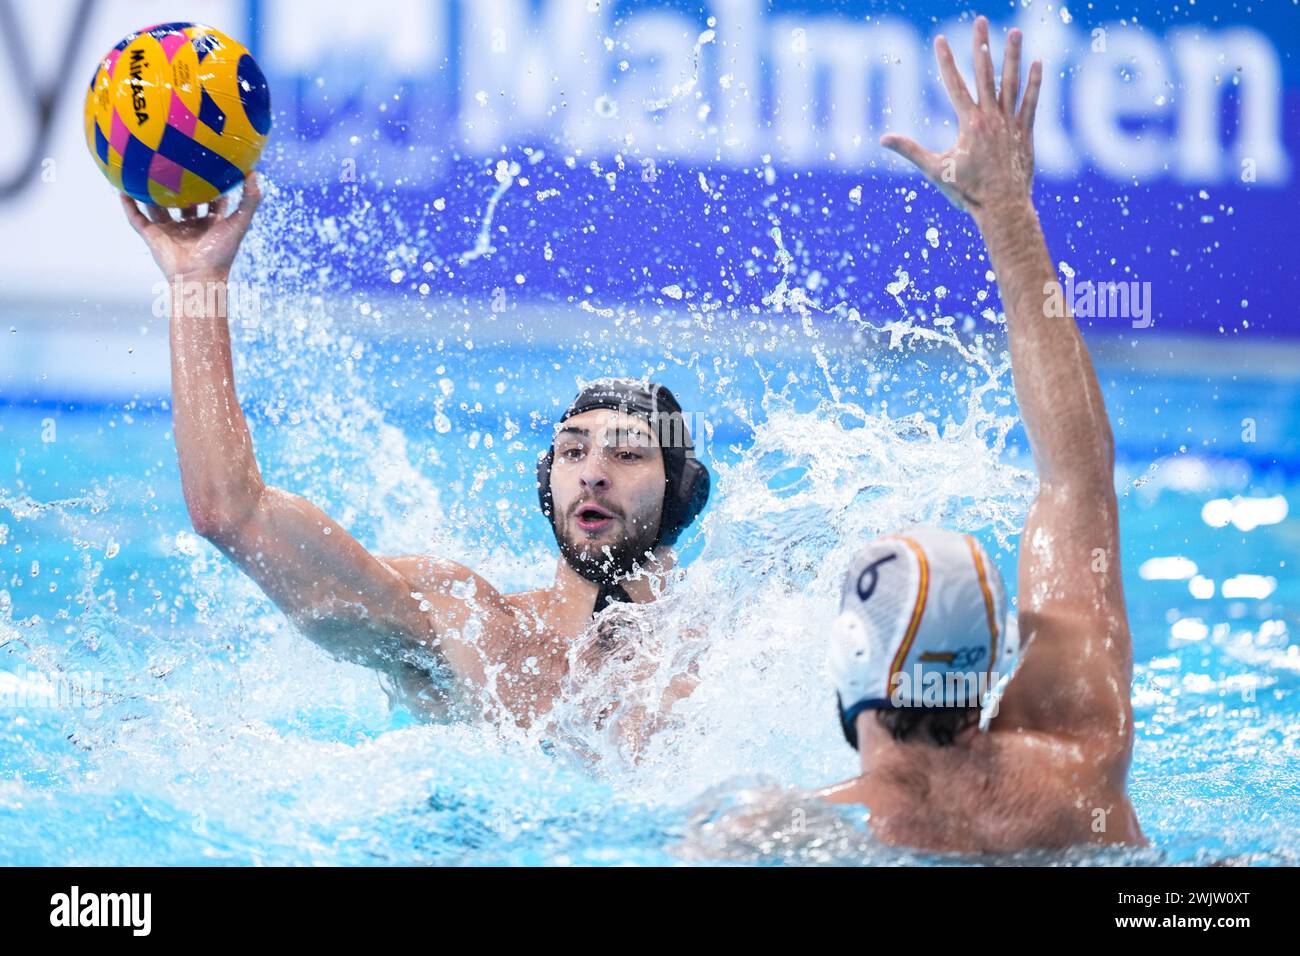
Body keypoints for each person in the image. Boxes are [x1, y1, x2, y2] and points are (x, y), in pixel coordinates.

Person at [121, 183, 708, 728]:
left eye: (628, 455)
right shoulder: (476, 631)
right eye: (572, 452)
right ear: (545, 483)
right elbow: (235, 516)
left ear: (681, 492)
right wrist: (198, 281)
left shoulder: (730, 652)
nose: (593, 475)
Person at [814, 18, 1144, 851]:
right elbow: (1078, 479)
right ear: (992, 661)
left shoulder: (806, 831)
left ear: (853, 658)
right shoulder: (1081, 761)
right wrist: (1007, 213)